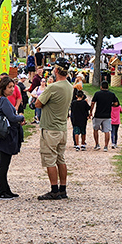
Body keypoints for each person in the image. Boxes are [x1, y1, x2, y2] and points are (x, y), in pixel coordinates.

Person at [35, 58, 74, 200]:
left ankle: (54, 190)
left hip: (50, 128)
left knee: (49, 160)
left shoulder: (53, 87)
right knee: (61, 159)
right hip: (62, 128)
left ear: (56, 70)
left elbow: (38, 103)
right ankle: (63, 189)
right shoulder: (69, 86)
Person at [0, 76, 25, 199]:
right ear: (3, 88)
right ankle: (0, 191)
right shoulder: (4, 101)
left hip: (1, 135)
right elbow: (11, 117)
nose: (12, 89)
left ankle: (5, 189)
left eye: (13, 87)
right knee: (3, 165)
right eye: (9, 87)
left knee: (3, 164)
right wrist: (21, 117)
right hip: (6, 136)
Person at [90, 81, 118, 151]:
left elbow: (93, 103)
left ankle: (97, 144)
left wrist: (90, 112)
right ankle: (106, 146)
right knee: (107, 131)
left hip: (98, 115)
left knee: (95, 130)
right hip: (107, 115)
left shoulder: (97, 94)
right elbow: (116, 103)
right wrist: (110, 105)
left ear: (101, 87)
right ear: (108, 87)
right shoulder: (111, 94)